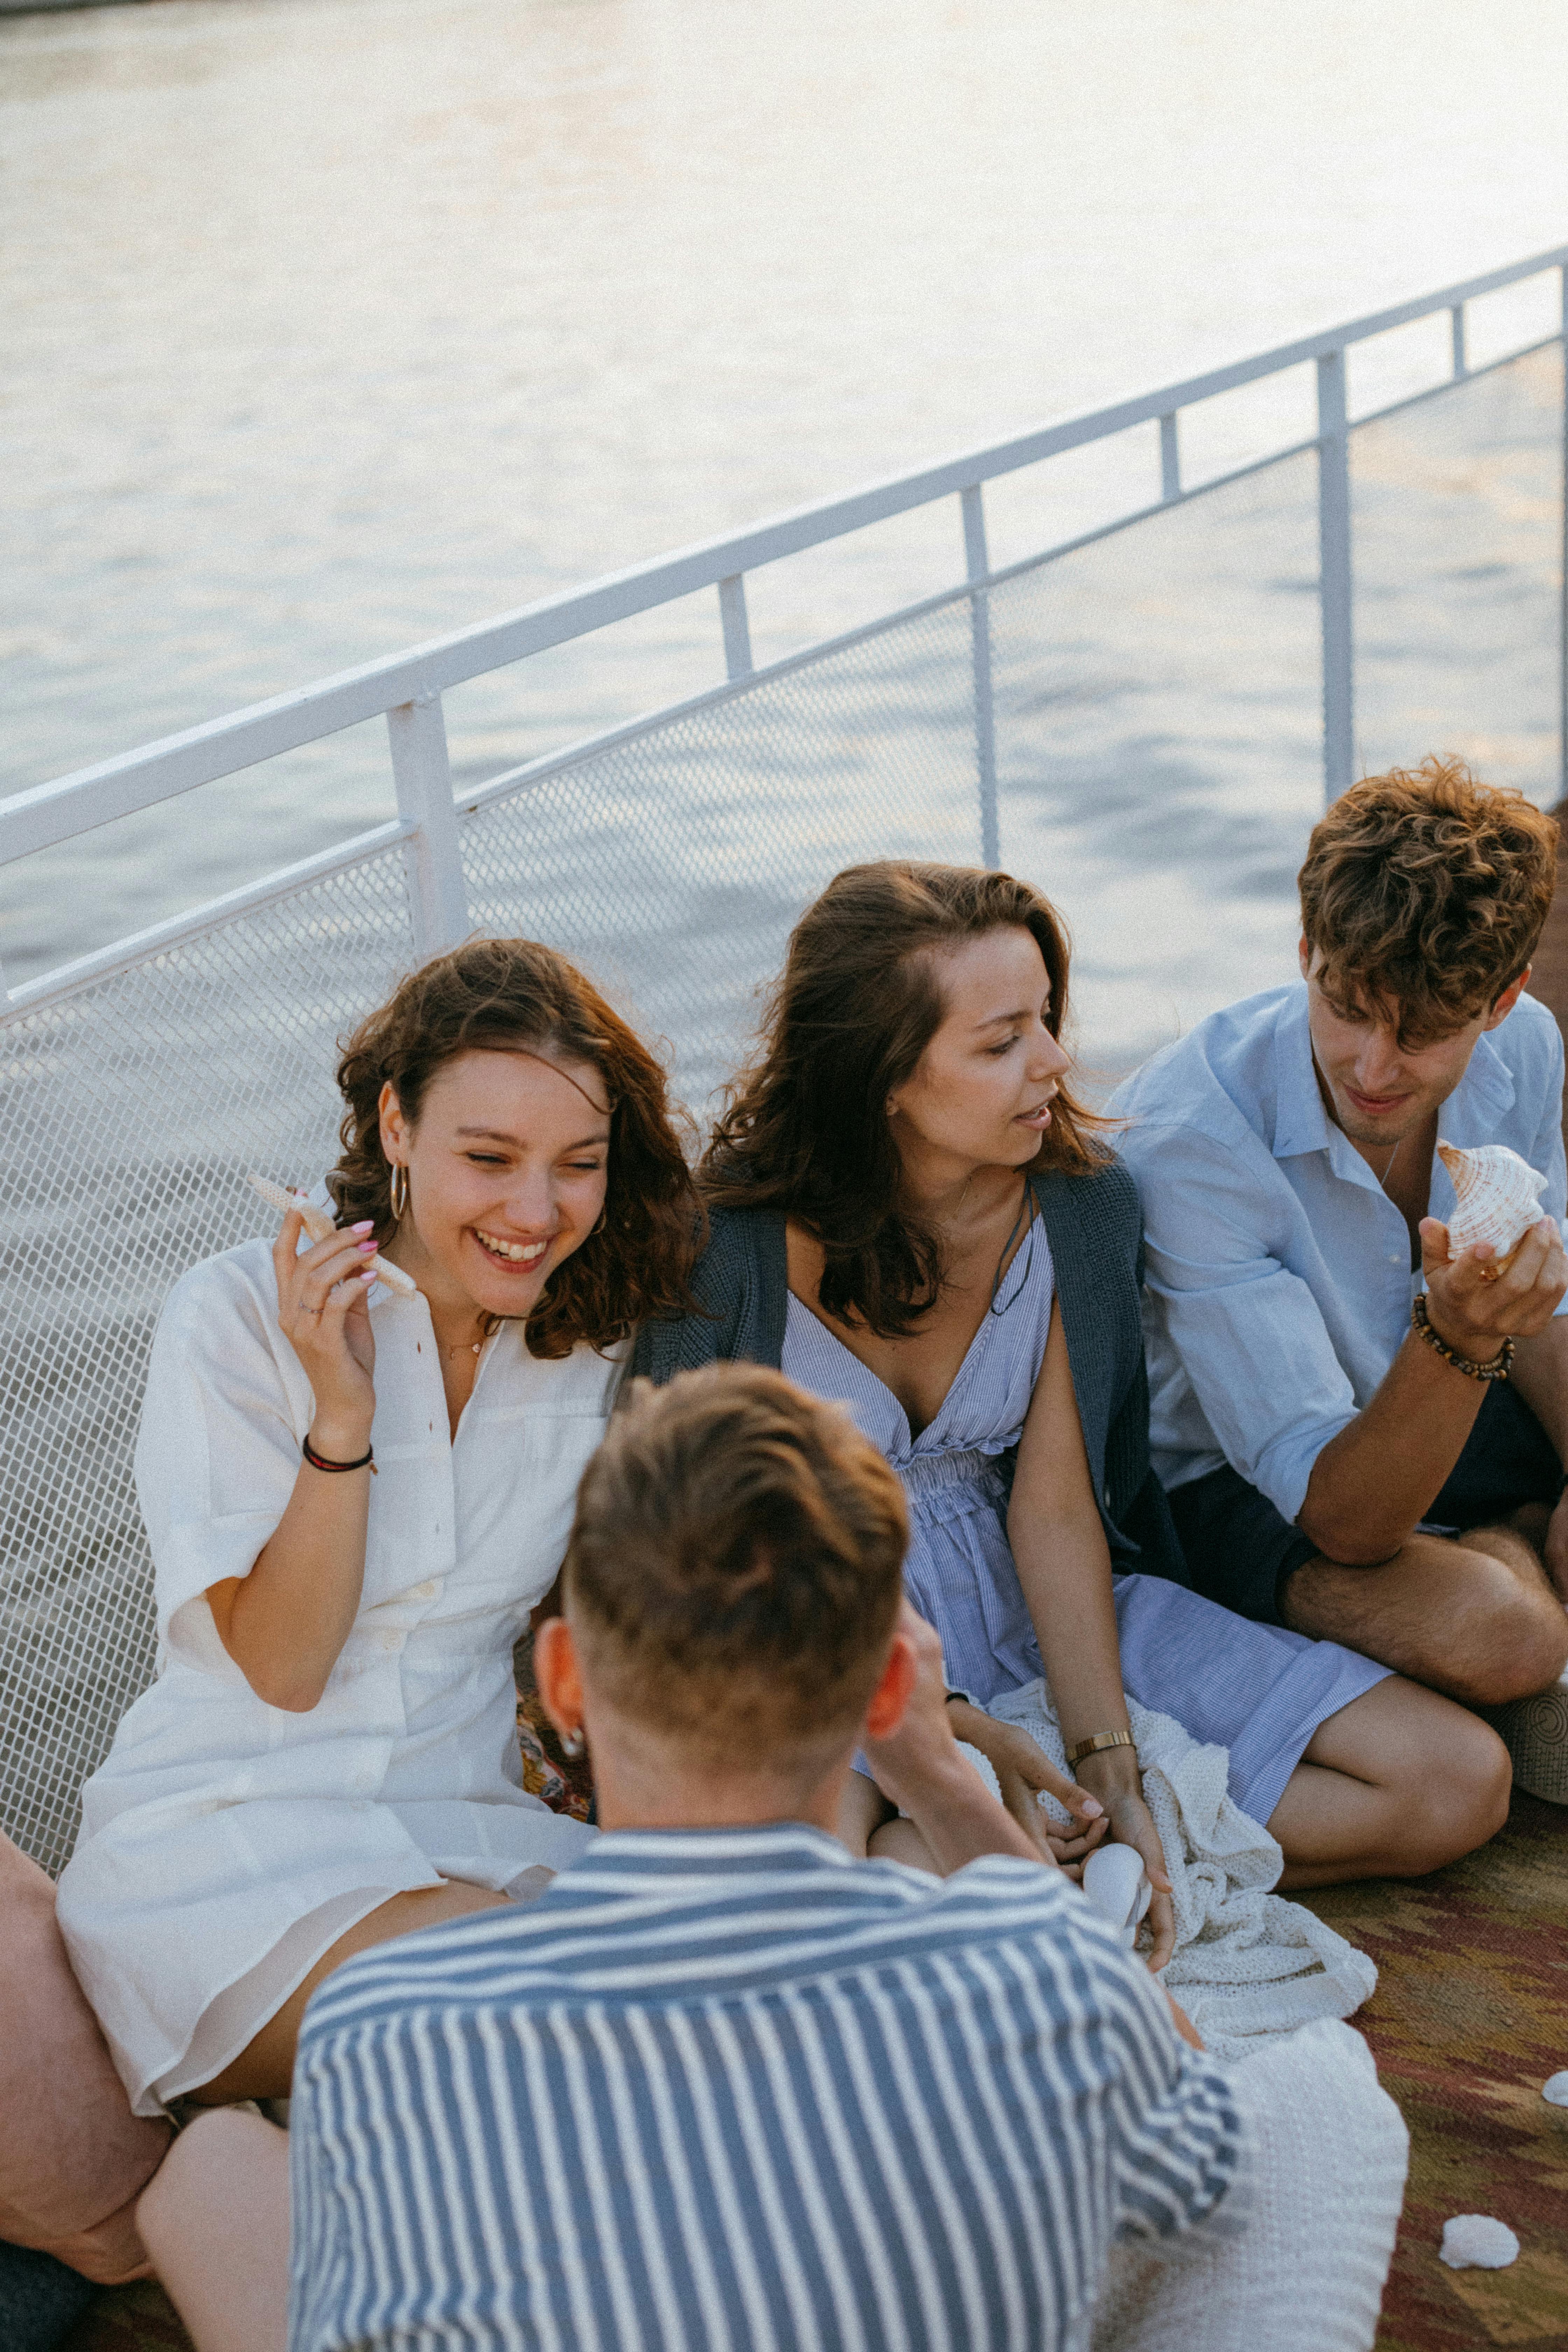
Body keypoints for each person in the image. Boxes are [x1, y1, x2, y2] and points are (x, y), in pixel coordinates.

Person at [138, 1366, 1409, 2352]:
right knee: (1321, 2097)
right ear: (892, 1682)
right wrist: (937, 1776)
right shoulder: (1037, 1983)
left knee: (212, 2170)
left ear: (564, 1682)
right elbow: (1203, 2164)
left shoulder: (388, 2033)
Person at [632, 861, 1511, 1954]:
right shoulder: (725, 1254)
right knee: (848, 1868)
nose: (1054, 1060)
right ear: (881, 1077)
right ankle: (1021, 1891)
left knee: (1454, 1783)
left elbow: (1054, 1513)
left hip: (1044, 1599)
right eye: (1001, 1043)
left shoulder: (1083, 1207)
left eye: (1046, 1018)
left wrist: (1115, 1768)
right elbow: (682, 1558)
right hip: (818, 1644)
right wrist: (936, 1727)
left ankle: (1090, 1871)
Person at [56, 936, 700, 2116]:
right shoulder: (239, 1316)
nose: (536, 1211)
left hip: (472, 1835)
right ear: (396, 1129)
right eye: (489, 1157)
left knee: (723, 1994)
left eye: (580, 1164)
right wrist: (341, 1417)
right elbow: (285, 1670)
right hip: (230, 1860)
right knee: (562, 2020)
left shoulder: (595, 1346)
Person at [1111, 760, 1568, 1730]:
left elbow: (1548, 1303)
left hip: (1430, 1396)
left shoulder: (1525, 1042)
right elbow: (1342, 1520)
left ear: (1502, 998)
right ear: (1308, 947)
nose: (1372, 1069)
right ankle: (1504, 1546)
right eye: (1348, 1005)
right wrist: (1465, 1340)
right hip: (1245, 1490)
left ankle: (1503, 1536)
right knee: (1511, 1634)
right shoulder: (1192, 1140)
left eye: (1427, 1032)